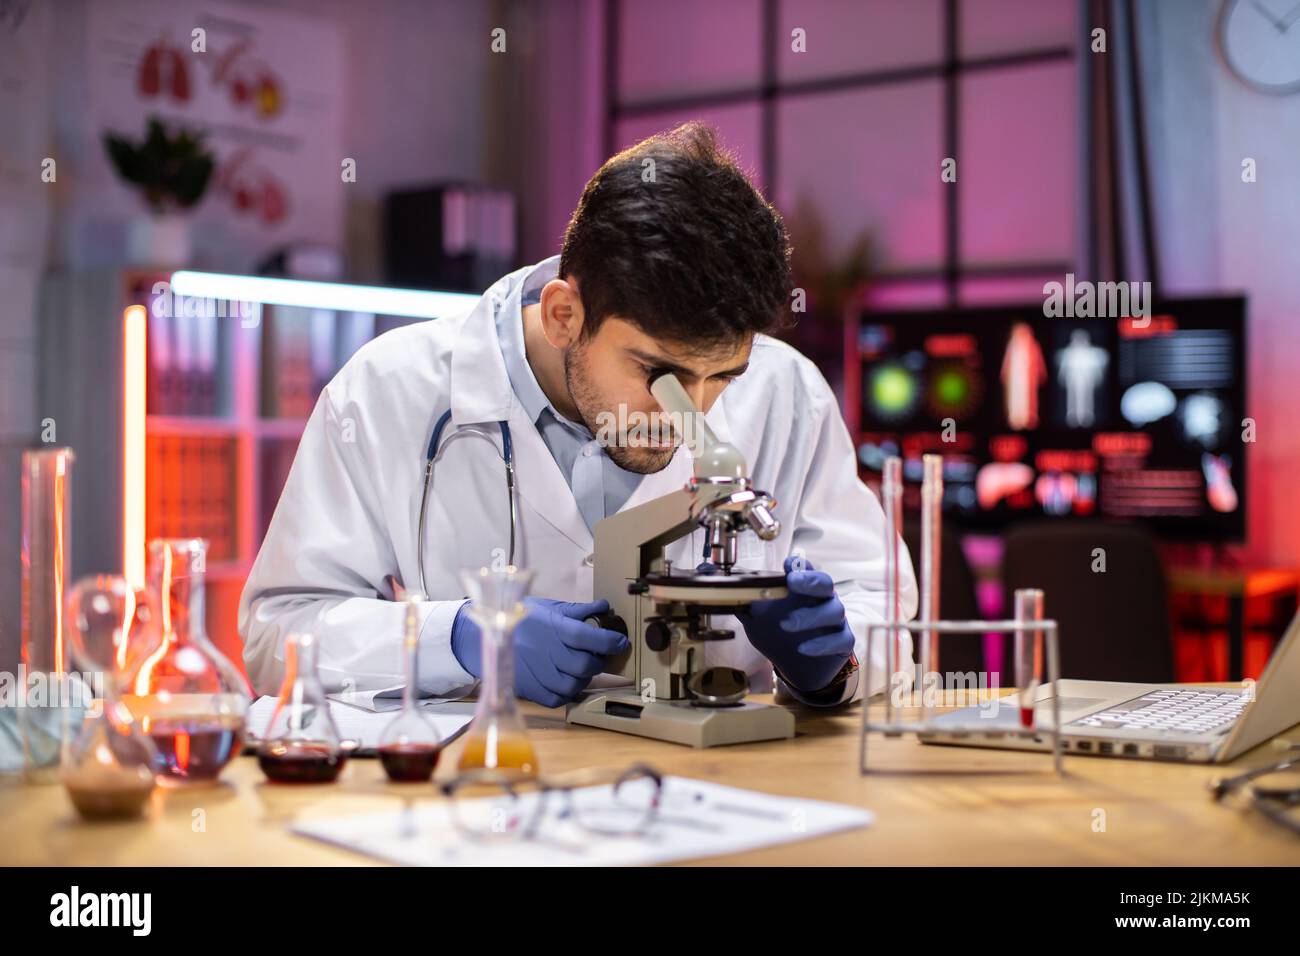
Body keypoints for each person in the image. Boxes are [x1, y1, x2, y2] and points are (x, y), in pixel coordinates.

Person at [239, 123, 917, 711]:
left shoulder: (787, 391)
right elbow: (279, 633)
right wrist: (458, 638)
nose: (694, 417)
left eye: (723, 377)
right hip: (484, 797)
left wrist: (832, 667)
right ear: (566, 314)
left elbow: (879, 608)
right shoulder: (388, 391)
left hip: (715, 801)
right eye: (661, 375)